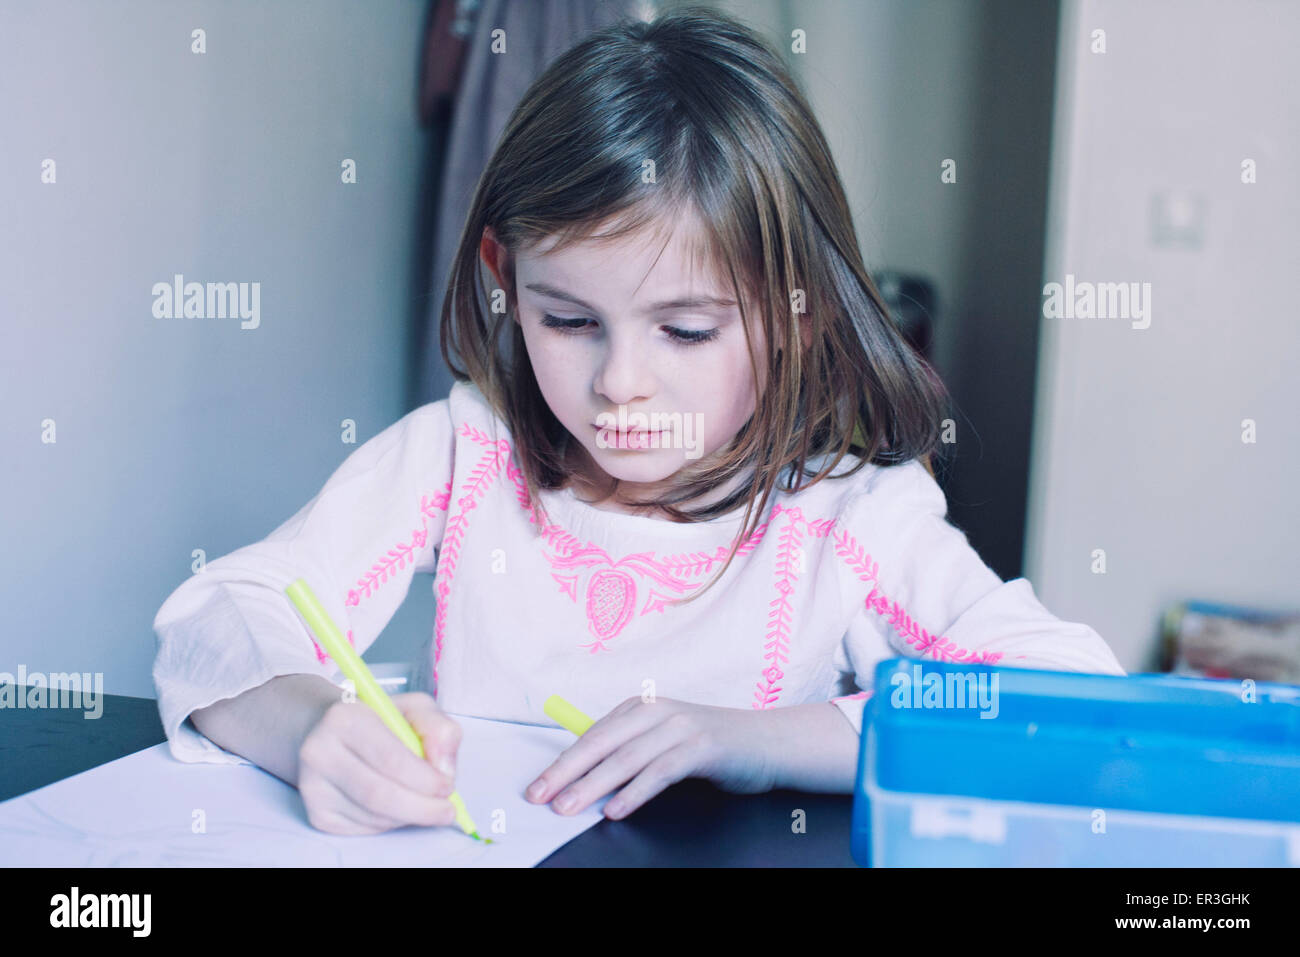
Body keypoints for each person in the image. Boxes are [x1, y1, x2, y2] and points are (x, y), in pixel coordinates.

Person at [152, 6, 1125, 837]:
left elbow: (1067, 698)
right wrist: (314, 727)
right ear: (504, 278)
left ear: (796, 313)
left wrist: (754, 740)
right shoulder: (465, 451)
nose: (620, 383)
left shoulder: (848, 514)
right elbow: (220, 618)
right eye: (567, 320)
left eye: (688, 330)